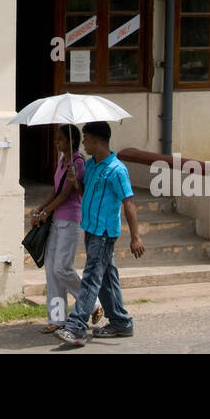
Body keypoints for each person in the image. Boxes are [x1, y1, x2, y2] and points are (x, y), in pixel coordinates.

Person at [55, 120, 145, 347]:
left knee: (91, 280)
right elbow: (86, 192)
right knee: (106, 279)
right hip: (91, 229)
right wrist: (76, 183)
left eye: (85, 139)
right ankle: (121, 322)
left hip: (104, 233)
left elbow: (129, 203)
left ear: (96, 140)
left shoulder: (117, 170)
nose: (83, 143)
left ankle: (75, 327)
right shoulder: (93, 165)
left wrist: (135, 237)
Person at [29, 124, 102, 332]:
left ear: (71, 140)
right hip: (55, 220)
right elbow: (55, 189)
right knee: (52, 269)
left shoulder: (78, 162)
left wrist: (45, 212)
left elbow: (66, 194)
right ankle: (57, 318)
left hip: (70, 220)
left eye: (60, 139)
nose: (56, 142)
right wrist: (40, 208)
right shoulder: (62, 160)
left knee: (62, 268)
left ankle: (92, 303)